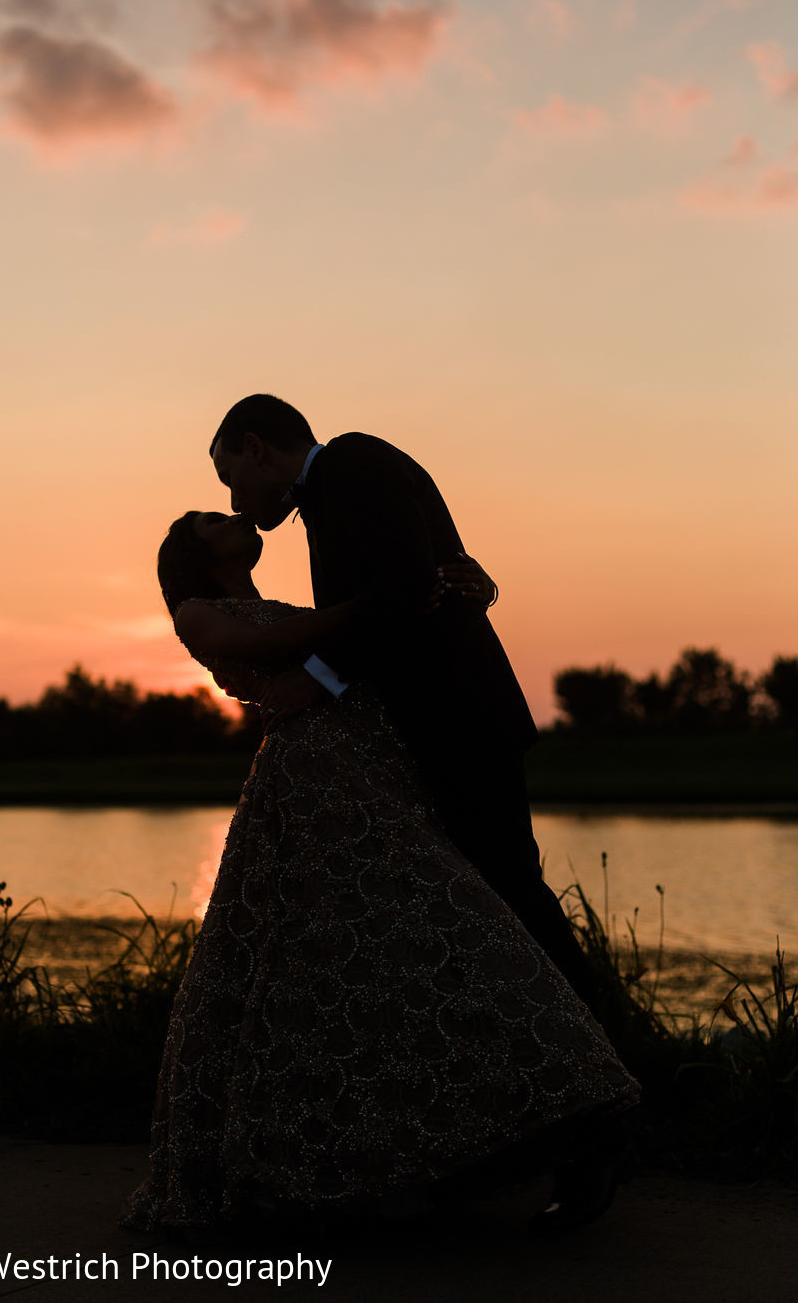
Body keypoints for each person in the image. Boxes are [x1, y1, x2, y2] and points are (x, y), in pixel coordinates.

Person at [119, 510, 638, 1233]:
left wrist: (457, 594)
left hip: (375, 782)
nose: (233, 510)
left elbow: (375, 644)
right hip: (315, 793)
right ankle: (324, 1169)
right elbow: (290, 641)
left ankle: (529, 1128)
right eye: (212, 517)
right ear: (193, 553)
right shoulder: (199, 614)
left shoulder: (303, 605)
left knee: (413, 956)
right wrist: (385, 599)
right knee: (341, 964)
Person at [208, 395, 596, 1006]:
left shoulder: (352, 462)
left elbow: (408, 586)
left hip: (459, 716)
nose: (235, 502)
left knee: (510, 888)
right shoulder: (330, 490)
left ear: (255, 449)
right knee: (480, 896)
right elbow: (396, 590)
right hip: (428, 726)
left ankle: (607, 1044)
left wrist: (317, 677)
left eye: (230, 478)